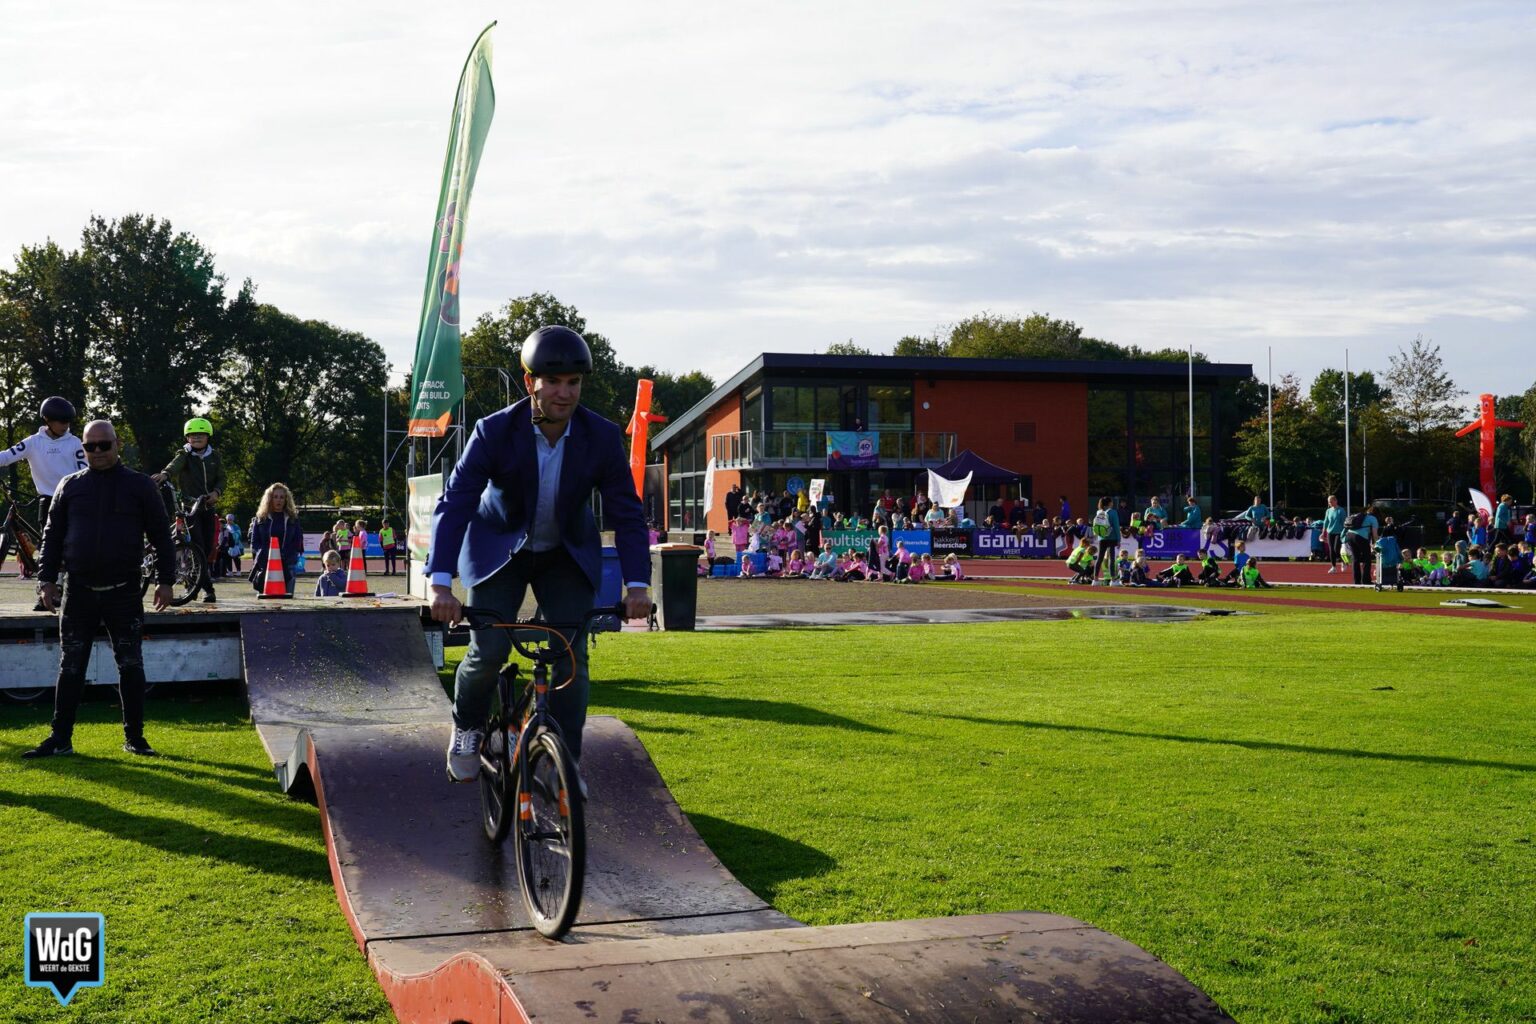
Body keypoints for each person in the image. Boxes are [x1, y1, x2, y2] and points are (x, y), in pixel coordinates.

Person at [427, 326, 651, 786]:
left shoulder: (602, 437)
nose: (564, 393)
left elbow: (628, 515)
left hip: (564, 556)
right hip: (499, 552)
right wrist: (440, 583)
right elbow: (456, 505)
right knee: (488, 649)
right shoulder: (494, 432)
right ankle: (468, 724)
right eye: (553, 383)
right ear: (530, 382)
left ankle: (563, 760)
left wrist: (638, 587)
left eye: (574, 383)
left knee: (570, 658)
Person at [22, 420, 174, 759]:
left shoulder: (140, 487)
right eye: (90, 446)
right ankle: (60, 739)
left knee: (131, 664)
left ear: (117, 444)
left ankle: (135, 738)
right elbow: (51, 538)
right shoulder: (69, 486)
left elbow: (163, 537)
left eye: (104, 445)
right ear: (83, 449)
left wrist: (167, 581)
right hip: (78, 592)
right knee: (70, 666)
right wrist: (45, 581)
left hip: (124, 591)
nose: (97, 452)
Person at [0, 397, 86, 608]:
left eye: (68, 421)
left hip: (72, 499)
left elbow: (85, 469)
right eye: (61, 421)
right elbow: (5, 456)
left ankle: (68, 590)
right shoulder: (33, 442)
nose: (65, 426)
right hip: (47, 499)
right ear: (47, 420)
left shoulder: (74, 443)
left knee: (71, 546)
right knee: (48, 547)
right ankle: (47, 592)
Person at [151, 417, 224, 604]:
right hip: (190, 507)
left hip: (207, 507)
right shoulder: (185, 454)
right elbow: (175, 465)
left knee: (207, 549)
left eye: (200, 435)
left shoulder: (215, 456)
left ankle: (192, 579)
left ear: (208, 437)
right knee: (198, 547)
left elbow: (222, 478)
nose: (197, 438)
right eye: (193, 436)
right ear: (187, 438)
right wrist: (165, 474)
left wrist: (217, 492)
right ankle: (208, 589)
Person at [248, 483, 304, 597]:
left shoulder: (293, 518)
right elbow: (254, 542)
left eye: (282, 497)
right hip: (265, 563)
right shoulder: (261, 518)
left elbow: (297, 540)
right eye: (275, 496)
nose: (279, 500)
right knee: (265, 601)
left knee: (287, 600)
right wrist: (265, 554)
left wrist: (287, 554)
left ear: (286, 499)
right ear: (270, 498)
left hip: (288, 563)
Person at [1345, 503, 1379, 585]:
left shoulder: (1359, 515)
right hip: (1361, 537)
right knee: (1367, 559)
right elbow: (1375, 534)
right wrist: (1377, 544)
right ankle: (1366, 581)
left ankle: (1356, 581)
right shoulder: (1373, 518)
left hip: (1349, 535)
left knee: (1355, 559)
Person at [1090, 497, 1121, 585]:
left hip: (1102, 538)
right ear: (1109, 503)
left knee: (1099, 558)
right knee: (1112, 559)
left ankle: (1095, 579)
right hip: (1112, 537)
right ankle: (1113, 580)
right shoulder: (1113, 512)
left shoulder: (1099, 512)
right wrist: (1119, 539)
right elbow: (1116, 526)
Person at [1321, 495, 1347, 573]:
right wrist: (1323, 533)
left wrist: (1344, 532)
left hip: (1339, 533)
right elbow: (1326, 522)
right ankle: (1333, 567)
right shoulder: (1328, 511)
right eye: (1329, 502)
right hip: (1330, 532)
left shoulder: (1341, 510)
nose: (1330, 503)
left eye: (1331, 501)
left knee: (1336, 549)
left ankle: (1343, 561)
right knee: (1331, 550)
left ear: (1336, 501)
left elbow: (1344, 523)